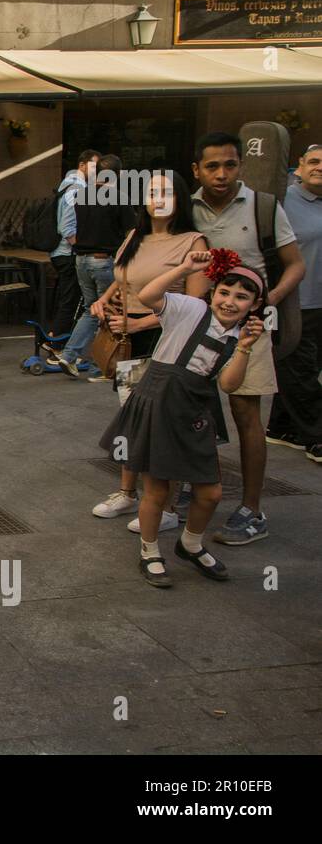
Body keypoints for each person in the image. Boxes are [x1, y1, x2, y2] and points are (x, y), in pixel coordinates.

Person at [100, 250, 266, 588]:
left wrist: (246, 347)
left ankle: (190, 544)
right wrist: (187, 268)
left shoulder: (242, 336)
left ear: (255, 303)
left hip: (195, 410)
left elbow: (228, 383)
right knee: (157, 489)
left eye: (241, 296)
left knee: (211, 493)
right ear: (213, 292)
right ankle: (149, 552)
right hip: (158, 400)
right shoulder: (192, 309)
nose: (230, 301)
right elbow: (148, 296)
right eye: (224, 292)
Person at [190, 131, 306, 545]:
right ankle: (195, 489)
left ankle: (252, 510)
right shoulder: (189, 208)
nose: (222, 174)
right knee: (192, 409)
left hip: (250, 327)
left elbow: (295, 265)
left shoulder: (263, 205)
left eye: (230, 164)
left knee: (246, 415)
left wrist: (266, 299)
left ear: (240, 165)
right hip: (199, 325)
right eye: (212, 166)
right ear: (197, 170)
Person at [88, 172, 210, 529]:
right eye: (153, 192)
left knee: (161, 424)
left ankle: (166, 507)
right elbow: (122, 275)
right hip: (126, 339)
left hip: (165, 339)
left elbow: (194, 304)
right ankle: (127, 494)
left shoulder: (193, 241)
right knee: (131, 416)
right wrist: (104, 299)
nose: (159, 198)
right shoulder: (134, 236)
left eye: (168, 192)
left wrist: (142, 324)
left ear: (181, 199)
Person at [56, 154, 136, 378]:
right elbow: (133, 231)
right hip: (103, 260)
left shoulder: (82, 196)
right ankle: (101, 366)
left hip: (81, 260)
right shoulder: (118, 197)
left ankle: (69, 355)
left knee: (91, 309)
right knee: (108, 312)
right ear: (117, 174)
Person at [267, 142, 322, 462]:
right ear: (299, 165)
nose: (319, 167)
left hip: (319, 303)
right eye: (313, 161)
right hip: (295, 301)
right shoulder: (284, 200)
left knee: (305, 367)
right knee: (299, 368)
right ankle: (316, 435)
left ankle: (280, 426)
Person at [49, 150, 101, 338]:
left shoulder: (68, 185)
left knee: (67, 298)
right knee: (69, 300)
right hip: (67, 253)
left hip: (61, 252)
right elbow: (67, 228)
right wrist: (82, 248)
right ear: (82, 165)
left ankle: (58, 336)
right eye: (94, 166)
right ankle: (55, 340)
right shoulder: (76, 189)